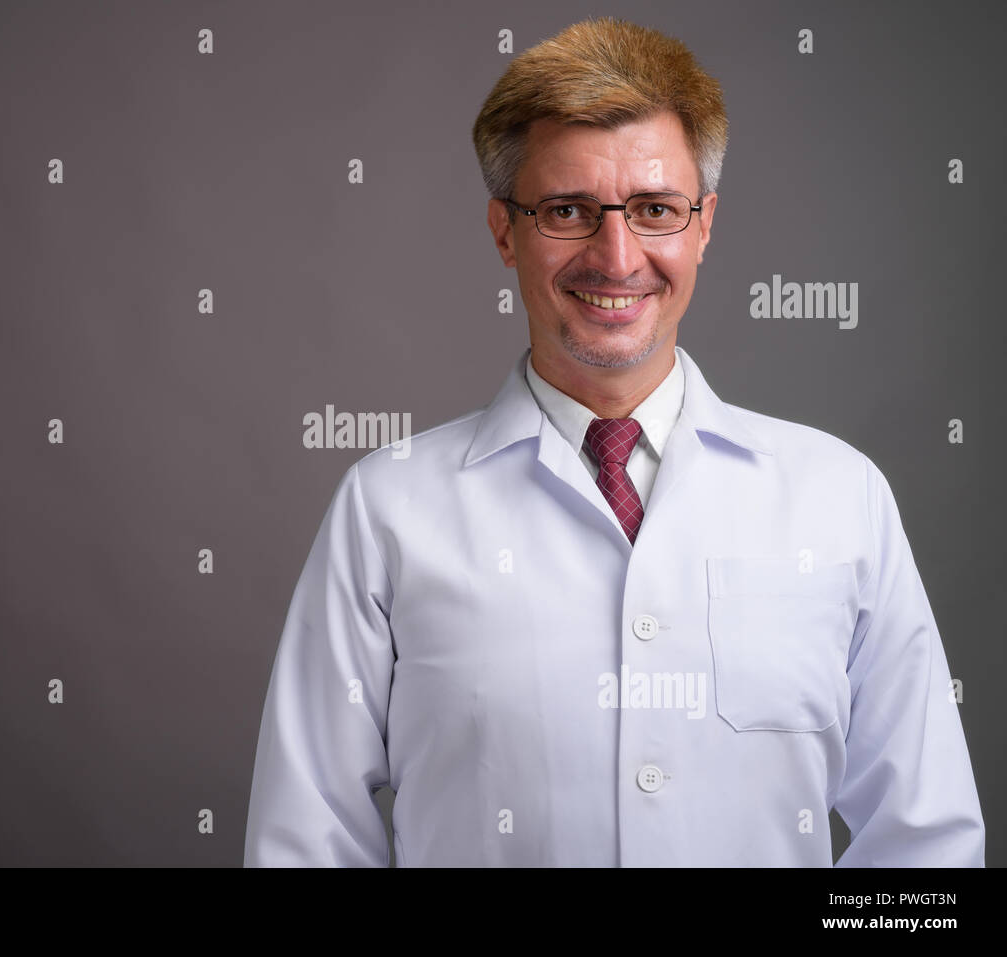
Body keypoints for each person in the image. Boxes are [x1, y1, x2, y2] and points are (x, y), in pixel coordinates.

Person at [243, 16, 985, 867]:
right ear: (502, 230)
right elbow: (304, 841)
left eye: (656, 209)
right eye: (567, 210)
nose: (617, 255)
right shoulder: (386, 509)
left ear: (704, 225)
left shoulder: (839, 497)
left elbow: (926, 846)